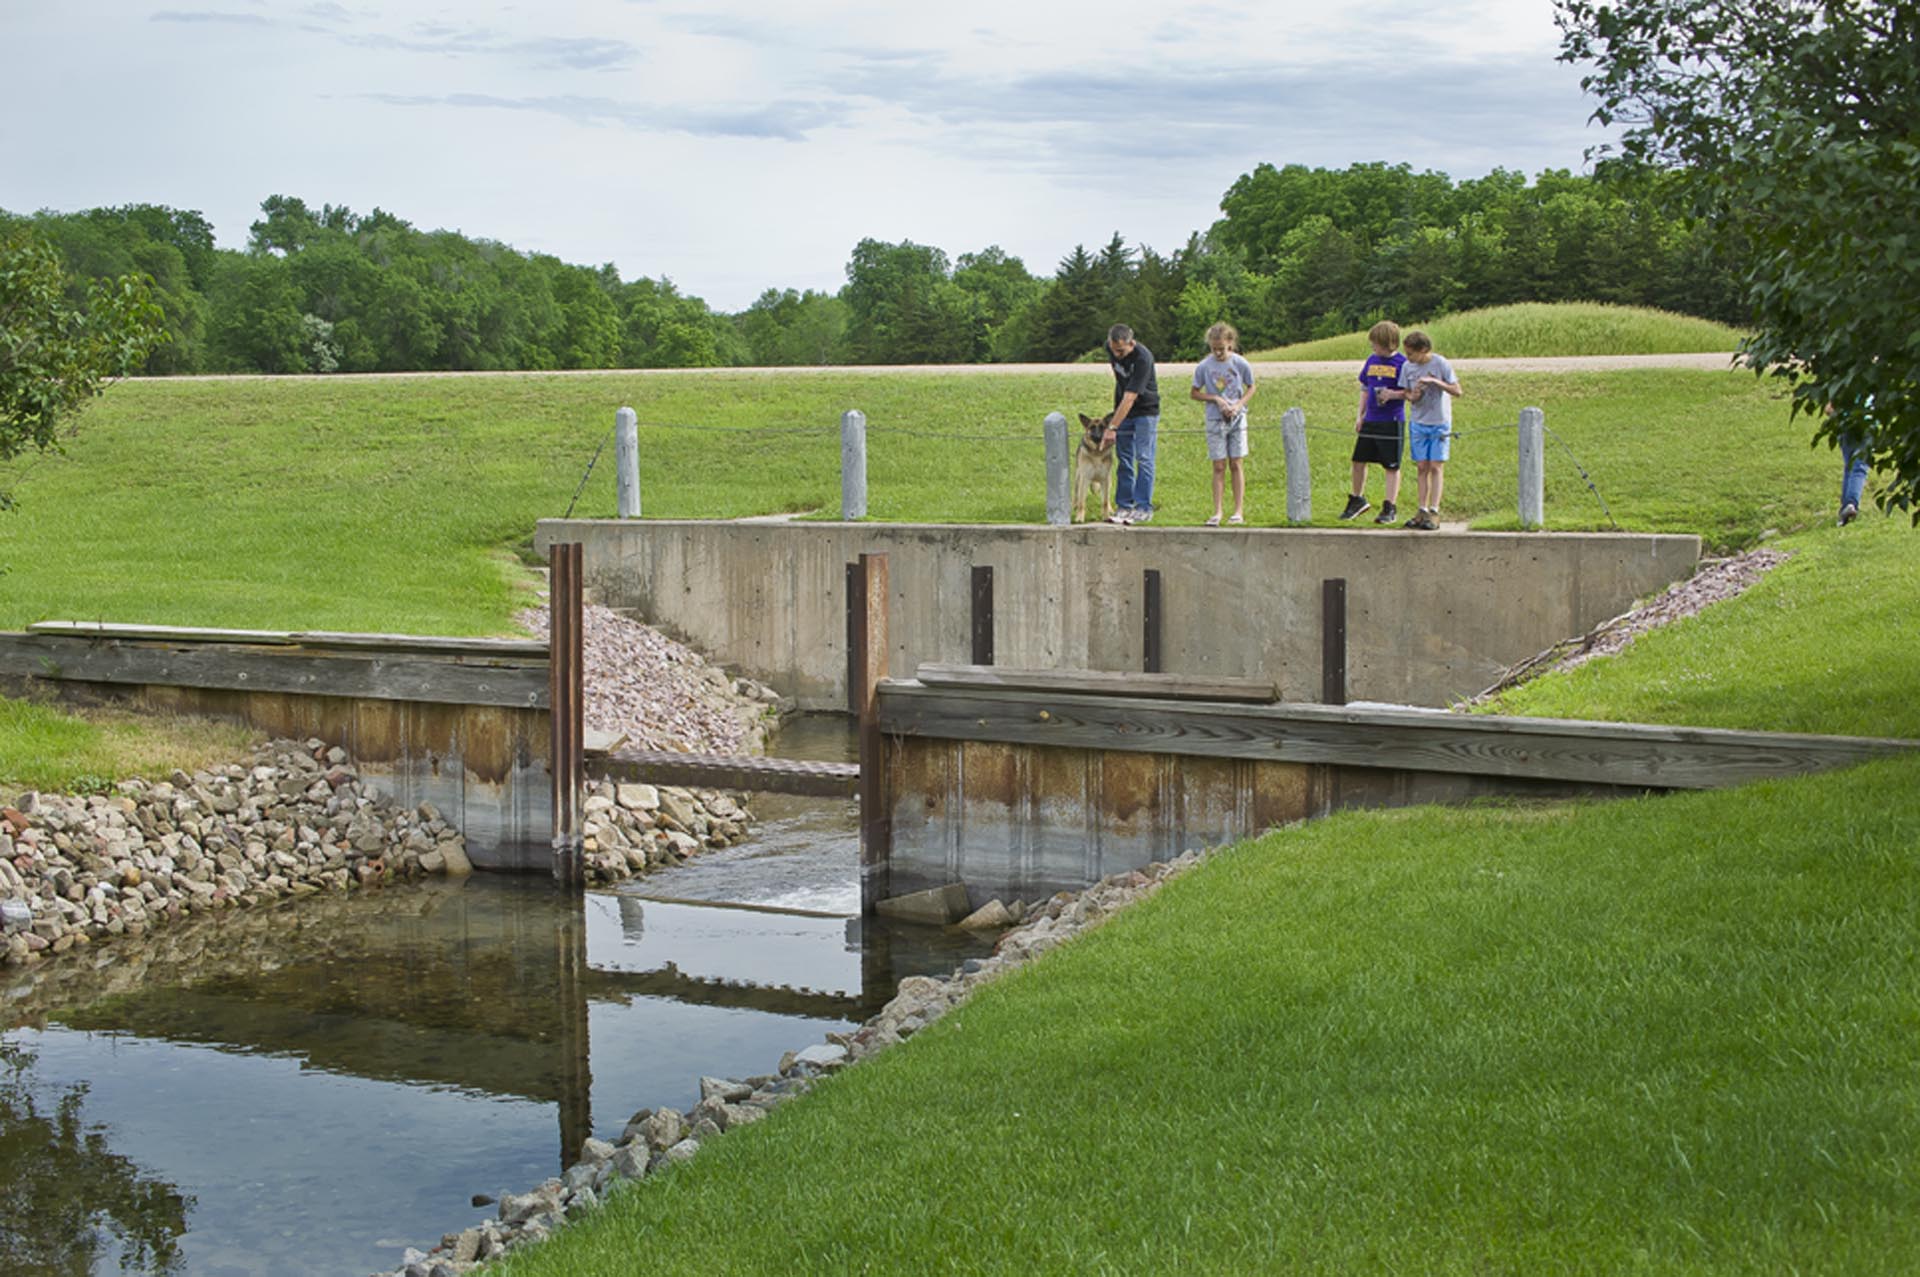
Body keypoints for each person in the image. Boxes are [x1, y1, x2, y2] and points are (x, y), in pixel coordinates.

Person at [1385, 330, 1462, 530]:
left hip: (1439, 421)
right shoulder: (1407, 367)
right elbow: (1407, 393)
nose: (1408, 357)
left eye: (1411, 353)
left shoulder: (1440, 363)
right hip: (1418, 421)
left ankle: (1434, 510)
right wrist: (1414, 395)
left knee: (1435, 466)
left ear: (1424, 350)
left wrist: (1435, 382)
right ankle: (1422, 509)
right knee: (1421, 466)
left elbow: (1457, 391)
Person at [1189, 321, 1257, 526]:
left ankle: (1238, 511)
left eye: (1222, 349)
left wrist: (1238, 405)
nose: (1218, 353)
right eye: (1214, 349)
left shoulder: (1240, 363)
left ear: (1230, 344)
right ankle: (1217, 511)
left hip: (1237, 417)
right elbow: (1194, 393)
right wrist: (1215, 399)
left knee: (1236, 462)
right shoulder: (1204, 366)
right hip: (1215, 419)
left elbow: (1251, 387)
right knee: (1218, 465)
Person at [1339, 320, 1406, 525]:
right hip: (1371, 418)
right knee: (1358, 460)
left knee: (1391, 465)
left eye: (1376, 343)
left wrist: (1392, 394)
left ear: (1388, 343)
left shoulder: (1402, 364)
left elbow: (1411, 392)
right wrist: (1360, 415)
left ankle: (1389, 506)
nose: (1373, 347)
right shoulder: (1371, 360)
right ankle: (1357, 498)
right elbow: (1365, 388)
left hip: (1391, 419)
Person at [1103, 324, 1160, 525]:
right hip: (1123, 411)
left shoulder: (1143, 358)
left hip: (1145, 410)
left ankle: (1143, 507)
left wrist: (1112, 427)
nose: (1117, 355)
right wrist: (1117, 420)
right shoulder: (1110, 348)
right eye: (1114, 350)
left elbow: (1130, 397)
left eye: (1121, 351)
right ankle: (1124, 506)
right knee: (1124, 458)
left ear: (1131, 343)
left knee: (1144, 458)